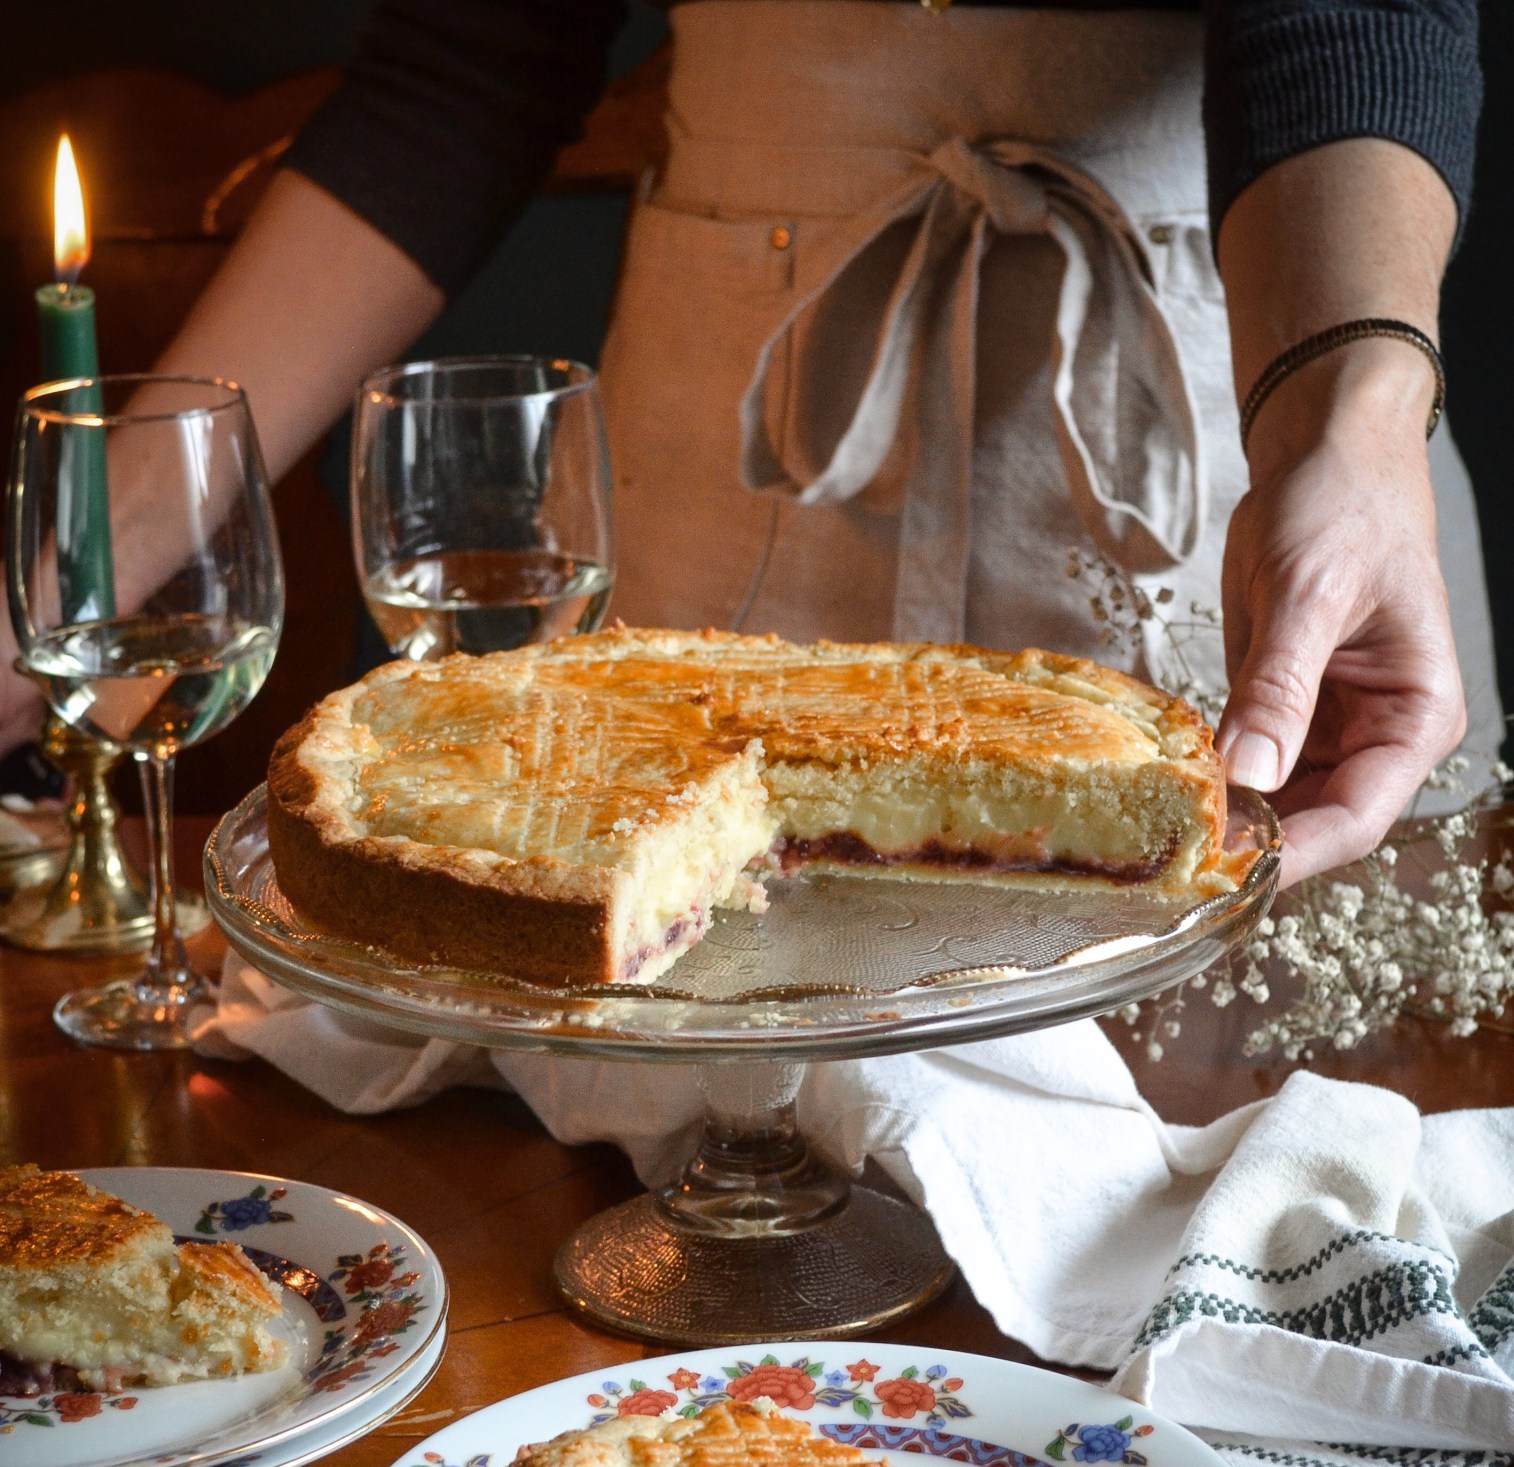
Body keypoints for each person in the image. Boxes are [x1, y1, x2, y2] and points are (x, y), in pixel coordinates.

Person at [0, 0, 1494, 891]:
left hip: (1236, 389)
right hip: (719, 467)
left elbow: (1354, 17)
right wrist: (76, 582)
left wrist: (1349, 423)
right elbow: (470, 58)